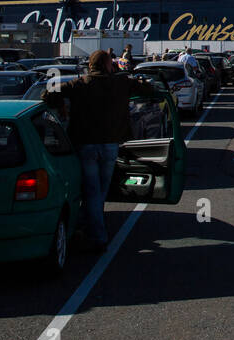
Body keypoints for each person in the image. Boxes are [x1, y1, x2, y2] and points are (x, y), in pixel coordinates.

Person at [43, 50, 160, 252]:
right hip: (110, 144)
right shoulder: (121, 83)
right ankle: (97, 234)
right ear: (108, 65)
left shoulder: (79, 84)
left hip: (85, 144)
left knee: (91, 190)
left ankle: (90, 228)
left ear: (90, 65)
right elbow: (150, 90)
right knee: (100, 191)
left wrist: (62, 105)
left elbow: (47, 94)